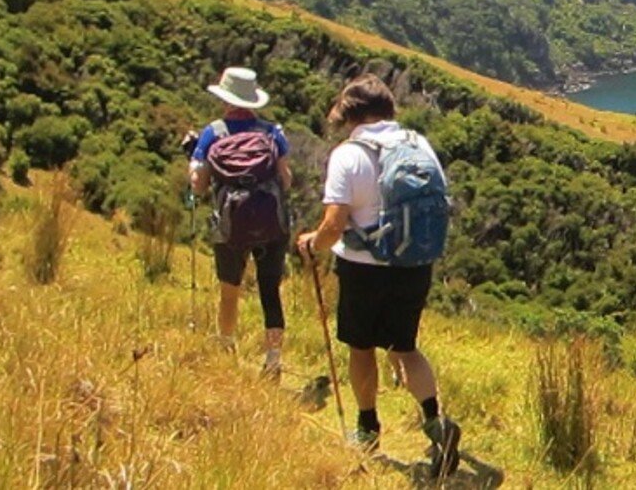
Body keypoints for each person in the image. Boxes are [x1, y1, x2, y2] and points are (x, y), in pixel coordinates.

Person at [296, 75, 460, 473]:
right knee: (405, 346)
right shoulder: (418, 144)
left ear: (350, 114)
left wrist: (310, 243)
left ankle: (367, 427)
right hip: (414, 264)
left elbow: (334, 225)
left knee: (361, 347)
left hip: (365, 268)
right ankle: (435, 421)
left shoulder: (348, 155)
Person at [187, 65, 292, 374]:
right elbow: (286, 180)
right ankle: (273, 359)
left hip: (230, 223)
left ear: (225, 98)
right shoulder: (272, 133)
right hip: (272, 224)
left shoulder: (212, 133)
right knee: (270, 290)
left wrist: (191, 161)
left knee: (229, 290)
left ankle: (226, 345)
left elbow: (198, 183)